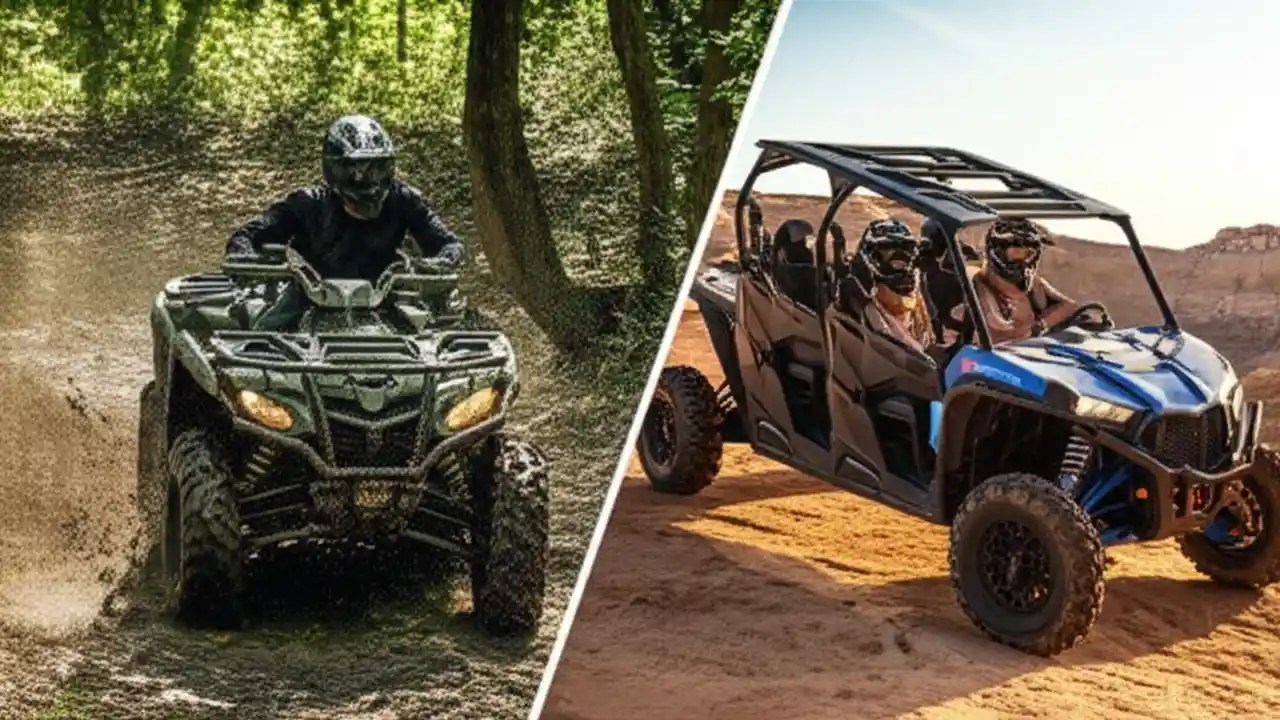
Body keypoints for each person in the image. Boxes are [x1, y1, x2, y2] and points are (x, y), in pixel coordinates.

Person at [225, 114, 465, 328]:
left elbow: (449, 244)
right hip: (309, 302)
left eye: (378, 168)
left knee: (445, 325)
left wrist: (442, 262)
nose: (370, 180)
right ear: (334, 171)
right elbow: (247, 235)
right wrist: (247, 260)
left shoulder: (403, 200)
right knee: (259, 333)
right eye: (357, 170)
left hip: (386, 302)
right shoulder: (308, 205)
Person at [942, 217, 1078, 346]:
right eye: (1018, 252)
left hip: (1028, 360)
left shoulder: (1034, 286)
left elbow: (1069, 306)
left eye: (1030, 253)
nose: (1026, 260)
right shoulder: (972, 289)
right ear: (998, 252)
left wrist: (1040, 325)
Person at [837, 219, 935, 353]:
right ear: (872, 255)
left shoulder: (918, 295)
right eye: (889, 249)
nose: (901, 256)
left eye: (905, 249)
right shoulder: (862, 299)